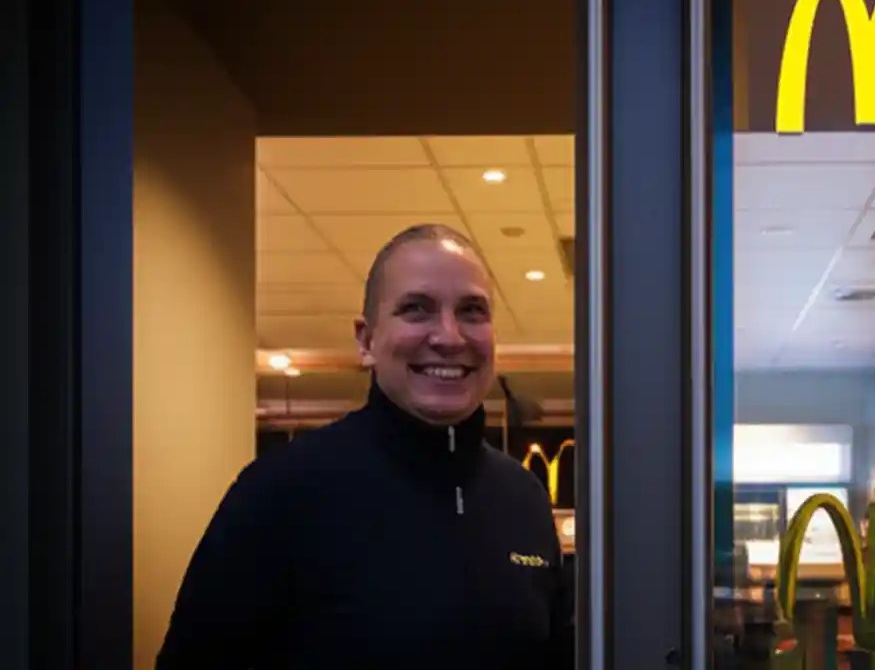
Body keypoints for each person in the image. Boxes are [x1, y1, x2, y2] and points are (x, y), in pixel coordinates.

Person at [156, 224, 573, 669]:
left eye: (472, 311)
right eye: (417, 309)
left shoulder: (523, 498)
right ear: (365, 340)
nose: (450, 337)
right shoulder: (282, 491)